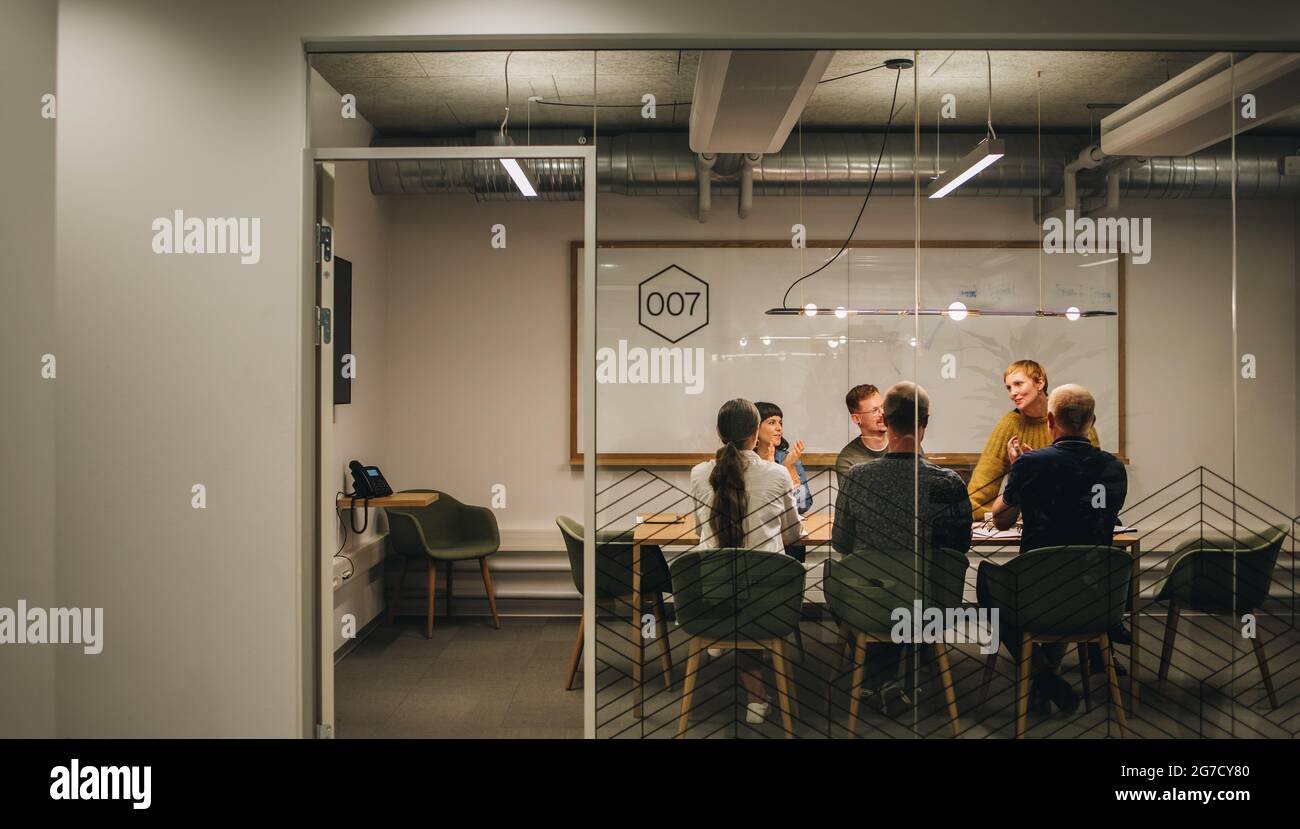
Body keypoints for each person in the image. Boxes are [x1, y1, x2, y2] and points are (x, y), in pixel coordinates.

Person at [985, 383, 1129, 713]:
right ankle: (1045, 677)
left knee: (990, 587)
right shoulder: (1114, 468)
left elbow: (1002, 521)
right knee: (1065, 582)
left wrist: (1018, 475)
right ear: (1092, 422)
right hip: (1095, 595)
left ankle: (1042, 675)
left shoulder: (1031, 464)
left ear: (1050, 421)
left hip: (1038, 594)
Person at [832, 382, 972, 712]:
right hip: (929, 604)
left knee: (881, 580)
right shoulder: (947, 482)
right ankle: (894, 679)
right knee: (911, 579)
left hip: (873, 602)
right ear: (924, 424)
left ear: (888, 422)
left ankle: (878, 680)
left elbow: (841, 542)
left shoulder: (858, 478)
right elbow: (960, 545)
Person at [690, 399, 805, 724]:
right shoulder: (778, 474)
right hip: (766, 599)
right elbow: (793, 533)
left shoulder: (699, 473)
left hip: (711, 597)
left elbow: (701, 529)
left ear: (719, 432)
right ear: (756, 434)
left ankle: (727, 650)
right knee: (751, 588)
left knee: (737, 589)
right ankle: (757, 697)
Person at [967, 360, 1100, 520]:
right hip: (1031, 525)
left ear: (1040, 383)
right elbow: (984, 481)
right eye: (1009, 387)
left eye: (1018, 384)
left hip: (1073, 519)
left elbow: (1093, 478)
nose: (1012, 393)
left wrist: (1029, 469)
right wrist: (967, 514)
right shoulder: (1009, 424)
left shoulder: (1071, 418)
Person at [755, 401, 811, 562]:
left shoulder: (788, 458)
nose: (779, 428)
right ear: (755, 428)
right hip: (758, 535)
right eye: (772, 422)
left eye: (780, 423)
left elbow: (802, 506)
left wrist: (789, 467)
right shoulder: (746, 460)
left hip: (787, 536)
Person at [835, 384, 889, 483]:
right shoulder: (848, 460)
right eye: (874, 410)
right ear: (856, 418)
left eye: (883, 406)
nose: (882, 413)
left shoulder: (909, 447)